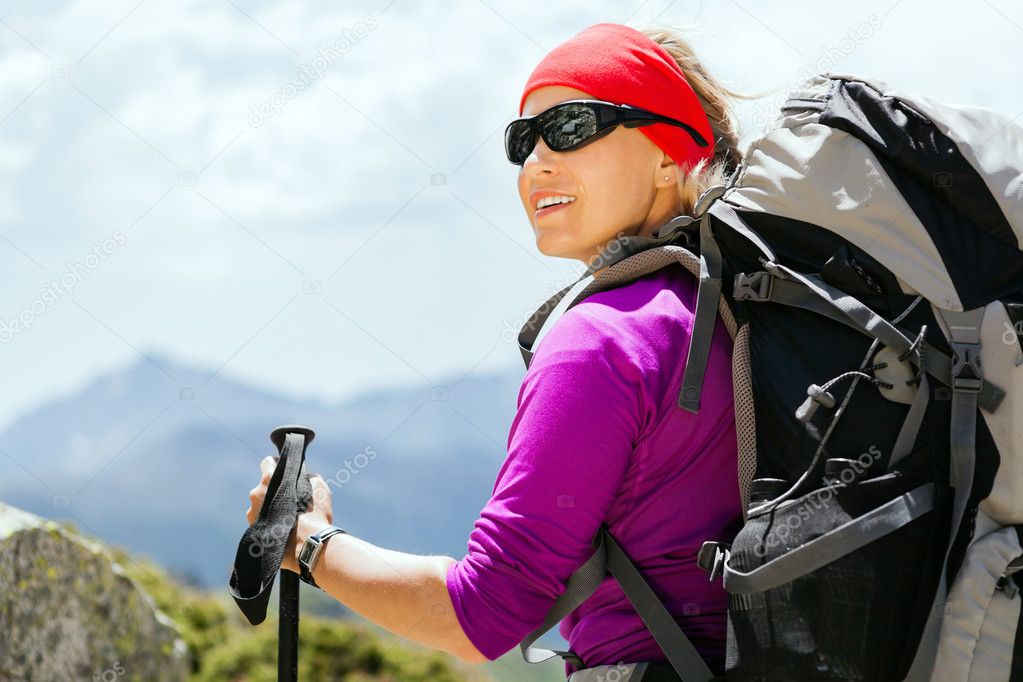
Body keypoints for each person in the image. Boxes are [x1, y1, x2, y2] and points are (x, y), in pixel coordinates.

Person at [245, 21, 750, 681]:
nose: (537, 161)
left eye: (572, 126)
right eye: (523, 139)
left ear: (670, 154)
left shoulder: (601, 338)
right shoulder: (735, 319)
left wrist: (306, 543)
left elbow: (479, 615)